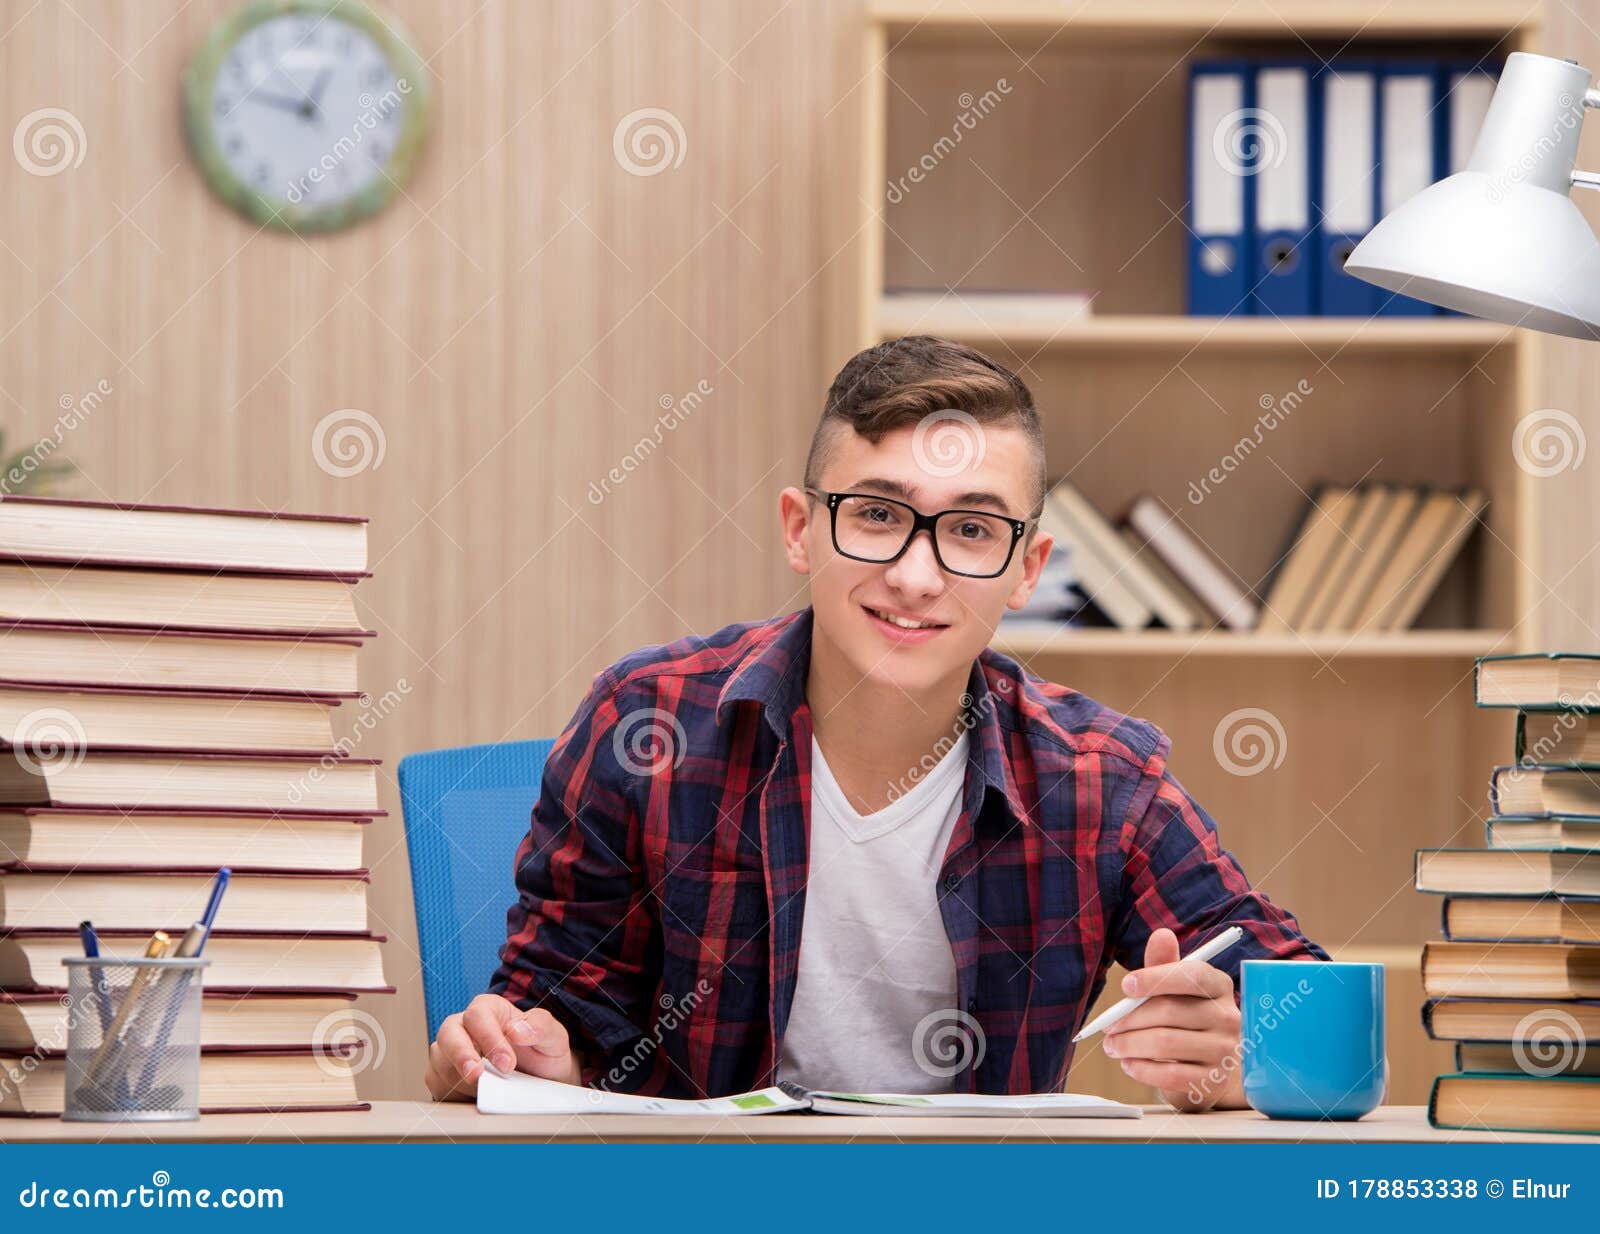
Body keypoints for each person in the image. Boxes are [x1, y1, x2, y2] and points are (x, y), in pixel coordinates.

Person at [425, 335, 1326, 1111]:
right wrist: (521, 1054)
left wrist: (1247, 1062)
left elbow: (1326, 1033)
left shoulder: (1103, 782)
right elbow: (557, 1022)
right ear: (799, 529)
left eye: (971, 530)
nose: (916, 576)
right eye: (879, 516)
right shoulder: (644, 725)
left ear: (1027, 569)